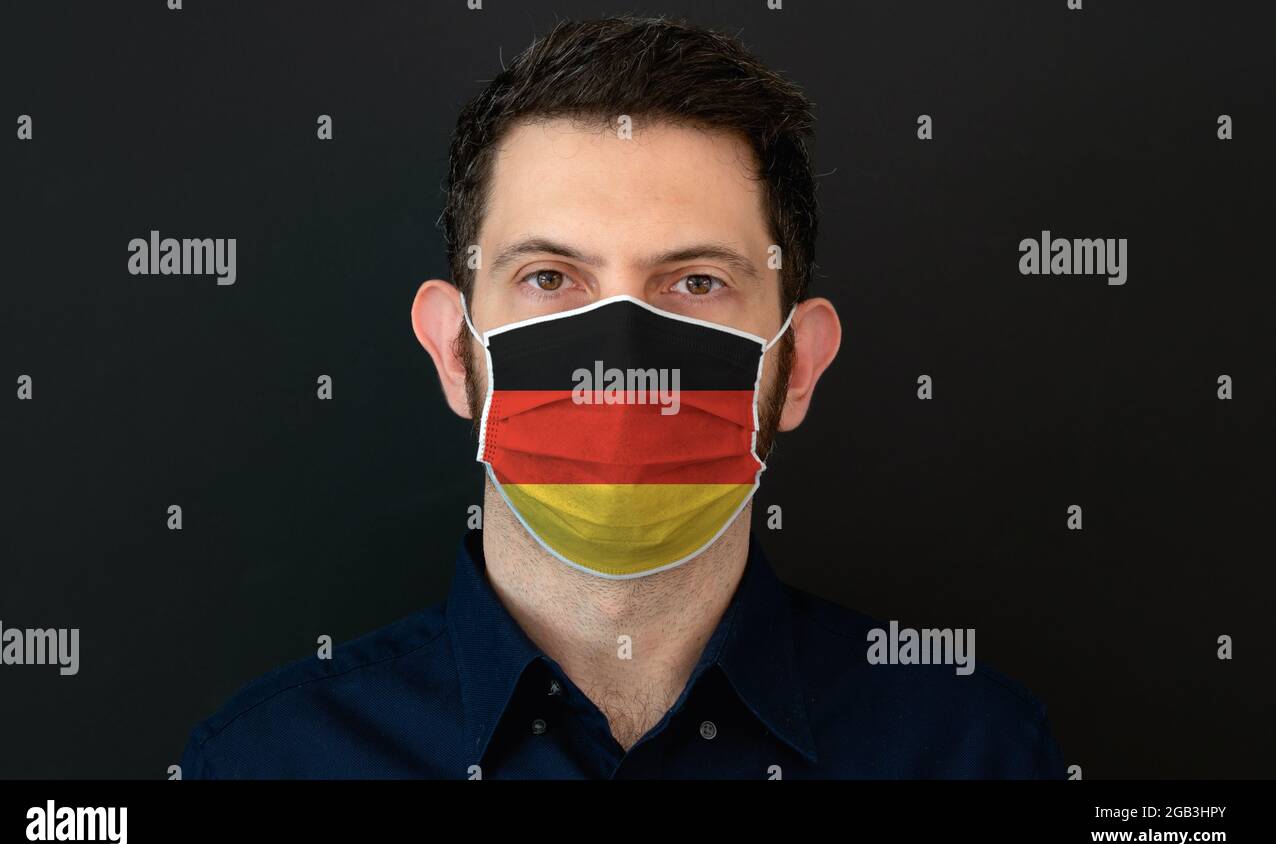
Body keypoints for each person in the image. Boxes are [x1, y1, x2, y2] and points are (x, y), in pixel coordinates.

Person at [178, 15, 1064, 779]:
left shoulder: (976, 752)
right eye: (551, 276)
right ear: (453, 350)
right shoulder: (267, 762)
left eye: (696, 282)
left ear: (798, 364)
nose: (621, 353)